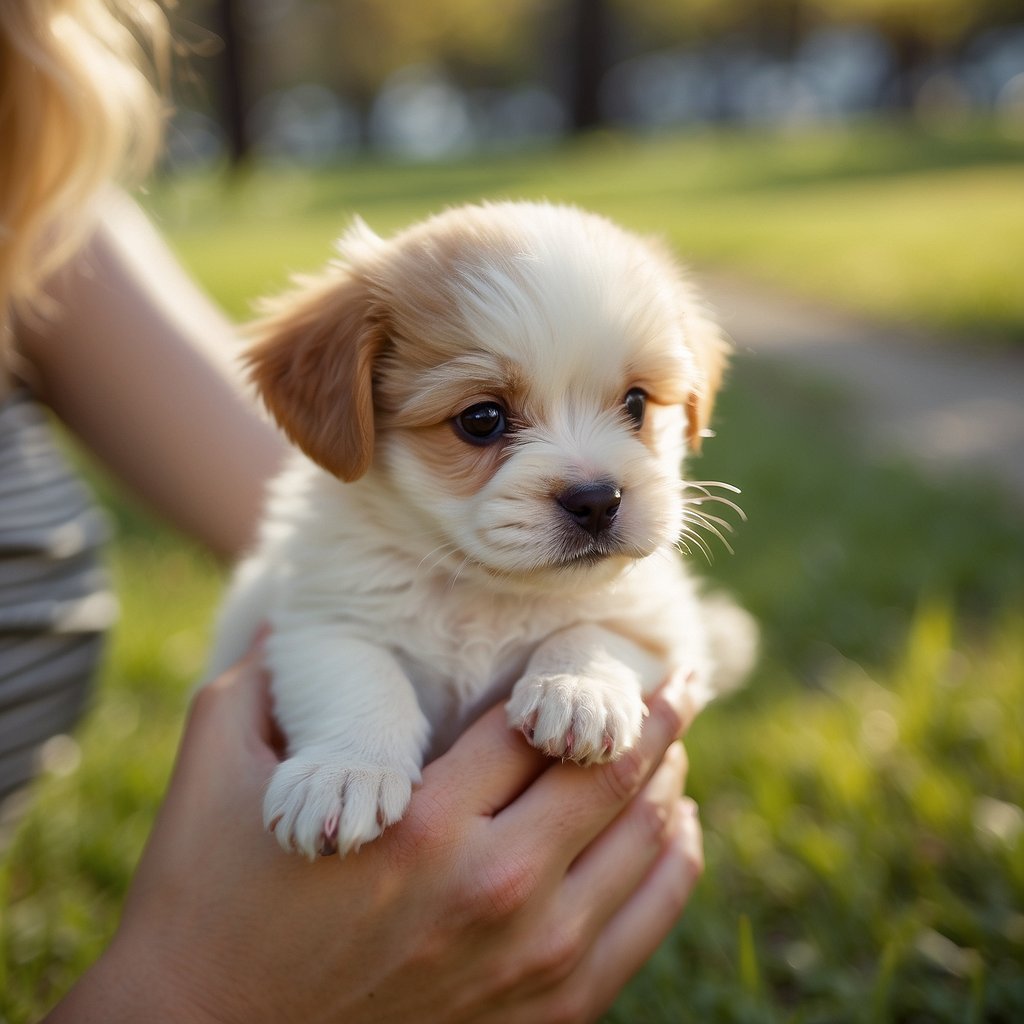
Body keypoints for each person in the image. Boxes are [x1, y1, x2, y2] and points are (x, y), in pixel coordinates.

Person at [2, 2, 706, 1021]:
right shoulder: (337, 541)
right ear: (343, 406)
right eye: (482, 419)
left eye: (634, 406)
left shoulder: (35, 176)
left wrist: (584, 657)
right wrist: (357, 741)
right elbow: (323, 627)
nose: (592, 481)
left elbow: (658, 636)